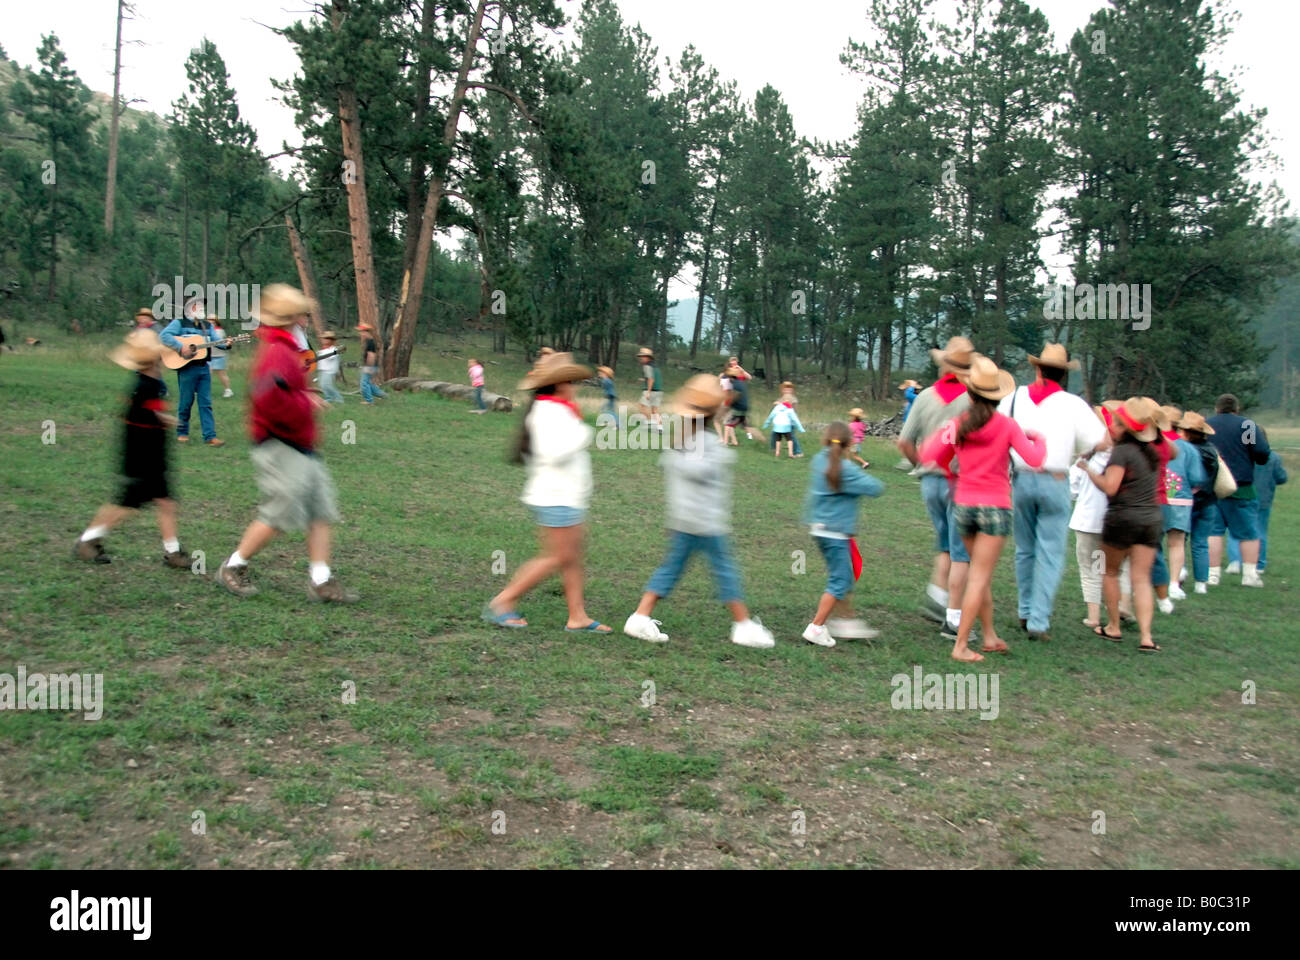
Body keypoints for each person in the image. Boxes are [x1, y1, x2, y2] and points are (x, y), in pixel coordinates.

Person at [216, 285, 357, 603]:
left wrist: (303, 397)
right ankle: (233, 566)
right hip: (278, 443)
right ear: (290, 317)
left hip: (300, 443)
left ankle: (321, 581)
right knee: (280, 512)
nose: (305, 318)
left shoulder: (287, 346)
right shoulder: (277, 351)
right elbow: (266, 397)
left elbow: (285, 390)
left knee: (321, 509)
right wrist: (307, 404)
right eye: (301, 313)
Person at [623, 375, 775, 648]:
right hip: (705, 522)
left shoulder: (682, 440)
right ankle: (743, 625)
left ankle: (640, 616)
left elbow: (679, 469)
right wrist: (723, 455)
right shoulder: (704, 443)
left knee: (671, 569)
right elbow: (700, 470)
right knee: (725, 571)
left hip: (684, 521)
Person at [920, 355, 1046, 662]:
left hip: (963, 505)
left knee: (980, 573)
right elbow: (1034, 459)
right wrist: (1038, 438)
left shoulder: (958, 424)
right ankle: (961, 645)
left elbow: (931, 454)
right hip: (995, 507)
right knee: (979, 575)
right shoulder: (1007, 426)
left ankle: (989, 636)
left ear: (970, 392)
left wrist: (952, 472)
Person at [484, 352, 611, 632]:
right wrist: (584, 434)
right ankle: (503, 602)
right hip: (557, 497)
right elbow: (554, 454)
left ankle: (577, 616)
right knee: (556, 557)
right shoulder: (549, 412)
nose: (575, 386)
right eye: (571, 381)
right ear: (560, 383)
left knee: (572, 556)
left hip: (566, 496)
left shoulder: (553, 408)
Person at [997, 343, 1106, 641]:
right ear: (1063, 373)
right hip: (1055, 479)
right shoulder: (1073, 405)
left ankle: (1025, 608)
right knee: (1050, 552)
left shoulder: (1013, 399)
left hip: (1020, 479)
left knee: (1025, 549)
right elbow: (1097, 441)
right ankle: (1038, 620)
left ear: (1037, 368)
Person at [73, 329, 192, 569]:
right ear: (152, 360)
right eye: (158, 356)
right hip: (141, 454)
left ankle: (173, 552)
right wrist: (165, 419)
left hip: (154, 452)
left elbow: (151, 412)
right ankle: (86, 542)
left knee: (166, 502)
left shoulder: (151, 379)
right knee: (127, 505)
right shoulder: (144, 386)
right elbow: (147, 416)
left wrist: (162, 419)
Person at [897, 335, 974, 635]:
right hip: (961, 481)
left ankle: (937, 594)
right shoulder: (973, 398)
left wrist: (921, 464)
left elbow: (904, 441)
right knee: (961, 551)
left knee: (944, 541)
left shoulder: (925, 396)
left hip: (930, 481)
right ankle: (952, 616)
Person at [1076, 397, 1165, 652]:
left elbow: (1110, 487)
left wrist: (1089, 470)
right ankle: (1146, 637)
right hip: (1151, 519)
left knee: (1109, 572)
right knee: (1140, 578)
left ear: (1126, 428)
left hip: (1122, 519)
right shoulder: (1151, 453)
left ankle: (1113, 626)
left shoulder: (1121, 453)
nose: (1111, 426)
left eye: (1116, 422)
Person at [801, 421, 886, 647]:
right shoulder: (846, 469)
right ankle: (816, 627)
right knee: (840, 580)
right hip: (836, 533)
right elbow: (876, 488)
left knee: (842, 576)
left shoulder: (820, 459)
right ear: (850, 443)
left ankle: (846, 621)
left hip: (819, 529)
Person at [1206, 394, 1272, 587]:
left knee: (1214, 531)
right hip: (1241, 485)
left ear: (1217, 408)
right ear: (1237, 408)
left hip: (1213, 485)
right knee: (1249, 532)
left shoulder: (1207, 425)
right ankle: (1250, 575)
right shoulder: (1246, 426)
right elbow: (1260, 452)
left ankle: (1212, 575)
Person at [1150, 404, 1204, 606]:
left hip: (1156, 499)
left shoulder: (1153, 444)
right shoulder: (1189, 449)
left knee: (1154, 543)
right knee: (1177, 542)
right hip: (1182, 500)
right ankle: (1174, 583)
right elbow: (1197, 477)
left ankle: (1155, 582)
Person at [158, 298, 228, 446]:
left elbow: (216, 341)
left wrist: (226, 344)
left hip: (204, 367)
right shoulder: (179, 323)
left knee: (206, 403)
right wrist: (180, 347)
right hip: (187, 368)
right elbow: (164, 336)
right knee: (186, 401)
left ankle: (210, 436)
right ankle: (182, 432)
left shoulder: (207, 326)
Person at [1227, 440, 1286, 574]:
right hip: (1264, 499)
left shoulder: (1240, 454)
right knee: (1260, 531)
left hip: (1242, 494)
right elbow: (1281, 477)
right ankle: (1259, 564)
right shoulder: (1274, 457)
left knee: (1235, 529)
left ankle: (1235, 561)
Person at [1180, 411, 1221, 595]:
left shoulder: (1185, 451)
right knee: (1200, 543)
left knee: (1179, 541)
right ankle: (1201, 584)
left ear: (1187, 432)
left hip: (1187, 502)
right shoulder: (1212, 450)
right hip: (1208, 503)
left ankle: (1178, 575)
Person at [356, 323, 387, 404]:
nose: (361, 334)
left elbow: (371, 355)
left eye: (361, 332)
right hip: (372, 366)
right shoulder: (369, 341)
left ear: (366, 332)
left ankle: (369, 401)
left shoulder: (370, 342)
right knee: (369, 383)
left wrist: (368, 367)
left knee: (364, 383)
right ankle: (383, 395)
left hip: (370, 366)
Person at [206, 314, 235, 398]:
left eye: (212, 320)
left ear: (216, 321)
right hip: (209, 356)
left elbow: (219, 342)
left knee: (222, 374)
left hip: (219, 355)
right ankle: (205, 391)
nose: (210, 321)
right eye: (209, 320)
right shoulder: (205, 330)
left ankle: (228, 390)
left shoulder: (219, 331)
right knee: (208, 374)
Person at [636, 347, 663, 431]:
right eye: (640, 357)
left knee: (641, 406)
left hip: (650, 390)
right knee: (655, 410)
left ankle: (650, 421)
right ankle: (660, 427)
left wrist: (648, 391)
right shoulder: (656, 367)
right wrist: (643, 379)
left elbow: (651, 379)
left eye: (643, 357)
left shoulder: (647, 366)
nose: (641, 358)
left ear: (648, 357)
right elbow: (653, 378)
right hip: (659, 391)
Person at [316, 331, 344, 404]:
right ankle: (329, 397)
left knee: (328, 385)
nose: (324, 340)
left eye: (326, 338)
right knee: (322, 385)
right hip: (322, 370)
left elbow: (330, 357)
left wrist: (322, 353)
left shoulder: (334, 349)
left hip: (329, 371)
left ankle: (339, 398)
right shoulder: (323, 349)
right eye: (323, 338)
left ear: (331, 340)